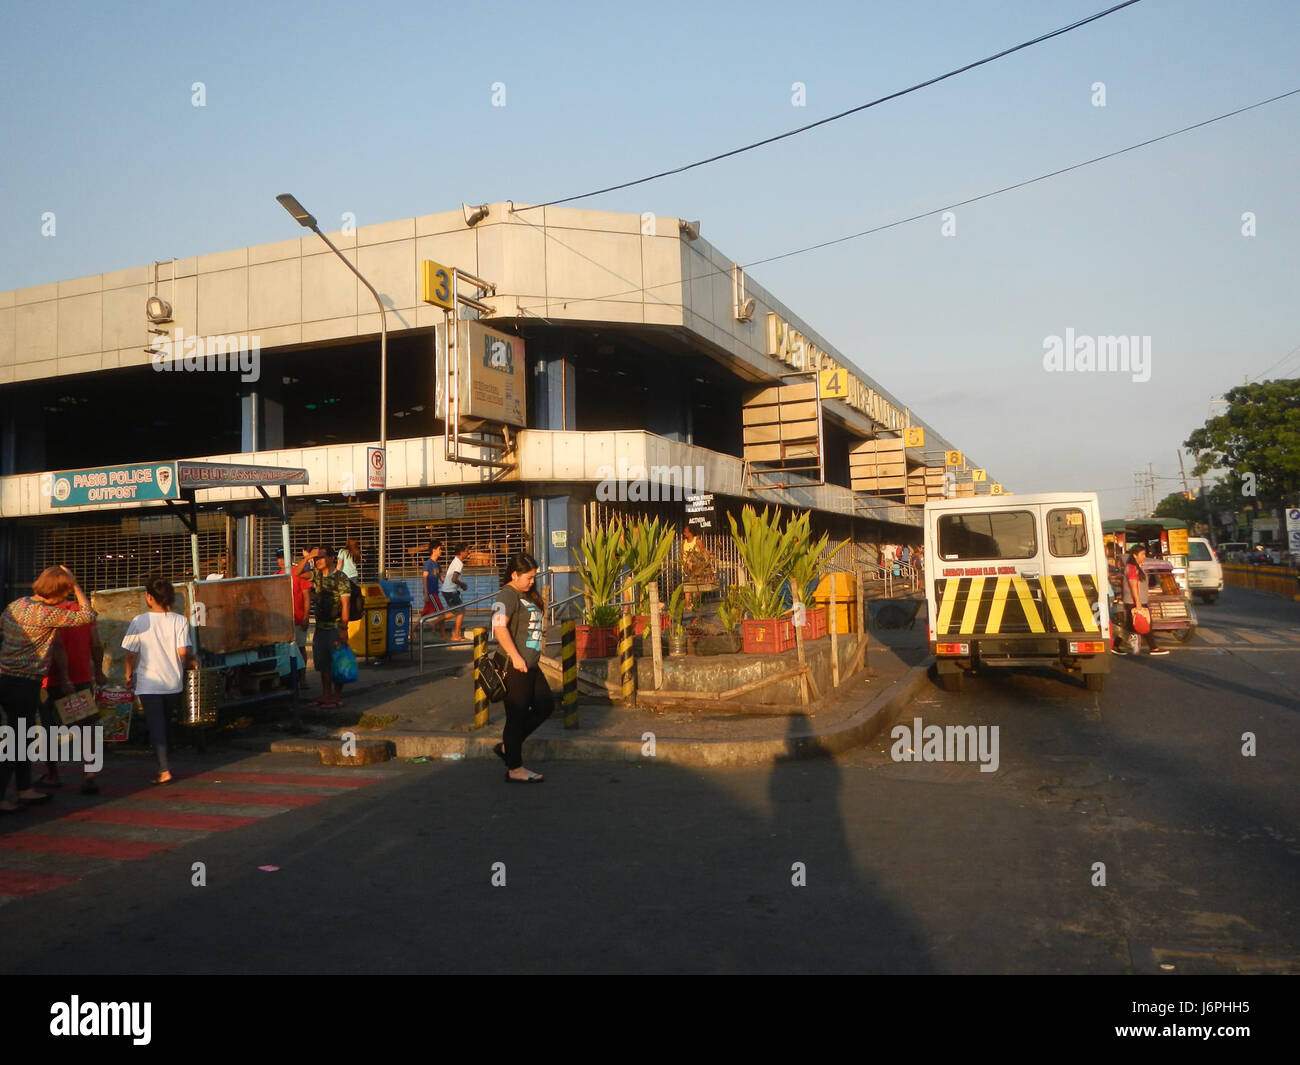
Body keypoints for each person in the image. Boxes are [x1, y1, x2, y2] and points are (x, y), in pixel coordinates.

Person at [0, 566, 97, 812]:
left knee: (21, 734)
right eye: (66, 591)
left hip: (5, 677)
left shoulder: (17, 604)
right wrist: (75, 584)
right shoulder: (46, 613)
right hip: (24, 681)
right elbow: (88, 615)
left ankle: (24, 788)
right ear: (60, 591)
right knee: (17, 739)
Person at [121, 575, 195, 786]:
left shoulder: (139, 621)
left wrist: (128, 675)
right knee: (166, 721)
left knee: (156, 725)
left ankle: (164, 769)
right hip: (173, 682)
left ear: (149, 597)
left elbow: (130, 653)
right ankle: (165, 763)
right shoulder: (179, 620)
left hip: (149, 683)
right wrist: (193, 659)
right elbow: (183, 652)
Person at [491, 553, 552, 782]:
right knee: (516, 716)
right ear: (514, 575)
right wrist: (516, 657)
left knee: (545, 706)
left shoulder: (524, 594)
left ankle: (509, 746)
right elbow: (499, 628)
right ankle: (515, 768)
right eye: (528, 577)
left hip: (530, 664)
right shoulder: (507, 595)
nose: (532, 581)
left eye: (534, 577)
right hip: (514, 665)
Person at [38, 595, 107, 793]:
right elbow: (96, 644)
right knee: (86, 729)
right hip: (81, 677)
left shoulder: (45, 614)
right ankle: (90, 774)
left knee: (48, 729)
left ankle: (53, 775)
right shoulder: (82, 614)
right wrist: (99, 670)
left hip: (49, 680)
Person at [307, 548, 352, 708]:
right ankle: (326, 694)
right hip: (320, 628)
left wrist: (344, 628)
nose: (317, 560)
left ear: (332, 558)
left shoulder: (341, 578)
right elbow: (296, 574)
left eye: (321, 557)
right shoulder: (316, 575)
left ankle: (336, 696)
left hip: (335, 627)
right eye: (316, 558)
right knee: (323, 663)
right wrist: (308, 558)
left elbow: (346, 604)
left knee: (338, 663)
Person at [1119, 544, 1167, 656]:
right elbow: (1133, 586)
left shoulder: (1137, 566)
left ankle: (1116, 645)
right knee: (1145, 623)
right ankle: (1153, 647)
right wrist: (1138, 603)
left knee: (1131, 625)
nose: (1144, 556)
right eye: (1143, 554)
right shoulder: (1131, 567)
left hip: (1138, 601)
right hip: (1134, 602)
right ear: (1135, 555)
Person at [440, 544, 470, 642]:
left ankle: (436, 621)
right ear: (461, 552)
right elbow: (454, 579)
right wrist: (463, 585)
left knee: (456, 611)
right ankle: (456, 635)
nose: (468, 552)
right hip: (449, 591)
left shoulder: (456, 561)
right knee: (460, 611)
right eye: (466, 551)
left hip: (449, 591)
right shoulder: (458, 563)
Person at [681, 525, 714, 612]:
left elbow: (703, 553)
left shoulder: (697, 541)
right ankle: (687, 604)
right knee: (687, 586)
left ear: (690, 532)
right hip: (687, 568)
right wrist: (685, 564)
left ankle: (696, 603)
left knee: (697, 586)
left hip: (697, 568)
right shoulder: (683, 542)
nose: (684, 533)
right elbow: (682, 554)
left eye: (685, 531)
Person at [421, 540, 447, 630]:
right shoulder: (428, 563)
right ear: (434, 550)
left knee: (423, 617)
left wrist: (452, 583)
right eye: (440, 549)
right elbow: (424, 577)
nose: (441, 551)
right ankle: (434, 624)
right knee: (442, 613)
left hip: (435, 593)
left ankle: (411, 631)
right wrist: (426, 593)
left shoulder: (437, 564)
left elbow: (442, 578)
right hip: (431, 594)